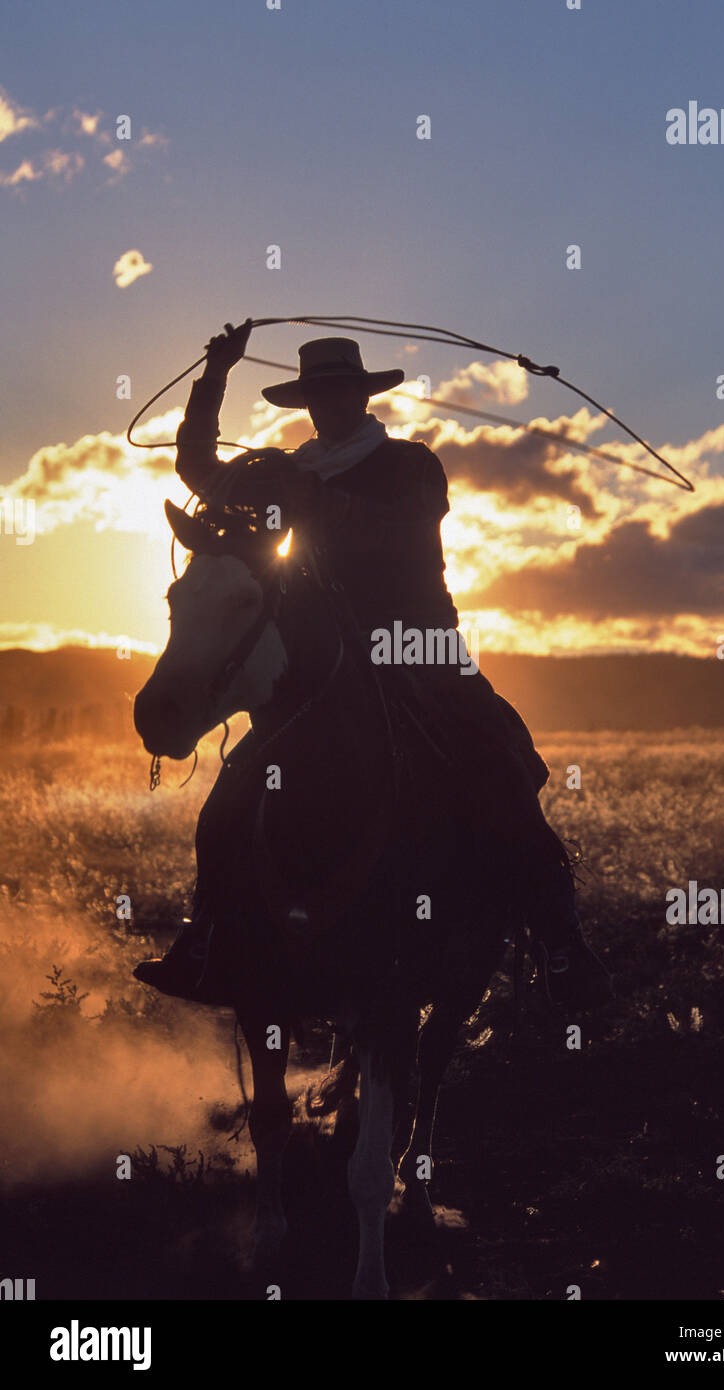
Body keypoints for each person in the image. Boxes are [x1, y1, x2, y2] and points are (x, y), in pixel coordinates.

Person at [134, 321, 611, 1010]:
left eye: (338, 392)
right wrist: (214, 377)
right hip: (321, 654)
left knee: (500, 762)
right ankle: (208, 939)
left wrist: (310, 497)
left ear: (361, 396)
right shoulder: (288, 475)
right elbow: (199, 471)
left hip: (420, 645)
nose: (327, 405)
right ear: (307, 403)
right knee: (234, 793)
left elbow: (399, 534)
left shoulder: (411, 465)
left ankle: (562, 944)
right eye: (316, 396)